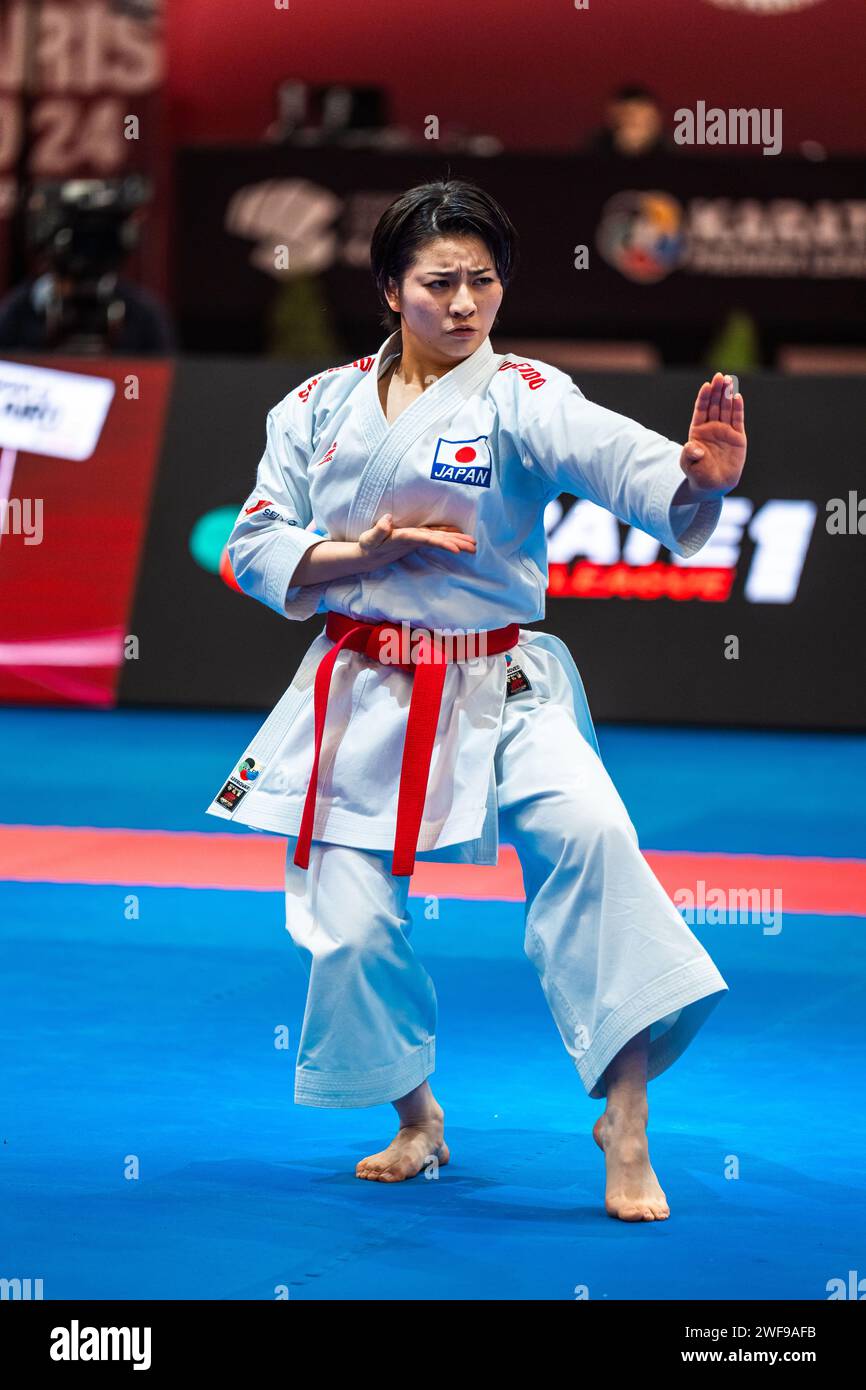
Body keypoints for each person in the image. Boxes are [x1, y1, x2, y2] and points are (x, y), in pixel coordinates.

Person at [205, 179, 747, 1222]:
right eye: (439, 283)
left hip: (501, 682)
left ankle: (624, 1119)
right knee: (349, 928)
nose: (463, 305)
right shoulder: (313, 407)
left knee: (592, 836)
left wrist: (689, 477)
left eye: (482, 281)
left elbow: (616, 457)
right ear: (388, 290)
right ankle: (415, 1116)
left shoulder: (523, 395)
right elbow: (253, 543)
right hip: (361, 687)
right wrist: (357, 549)